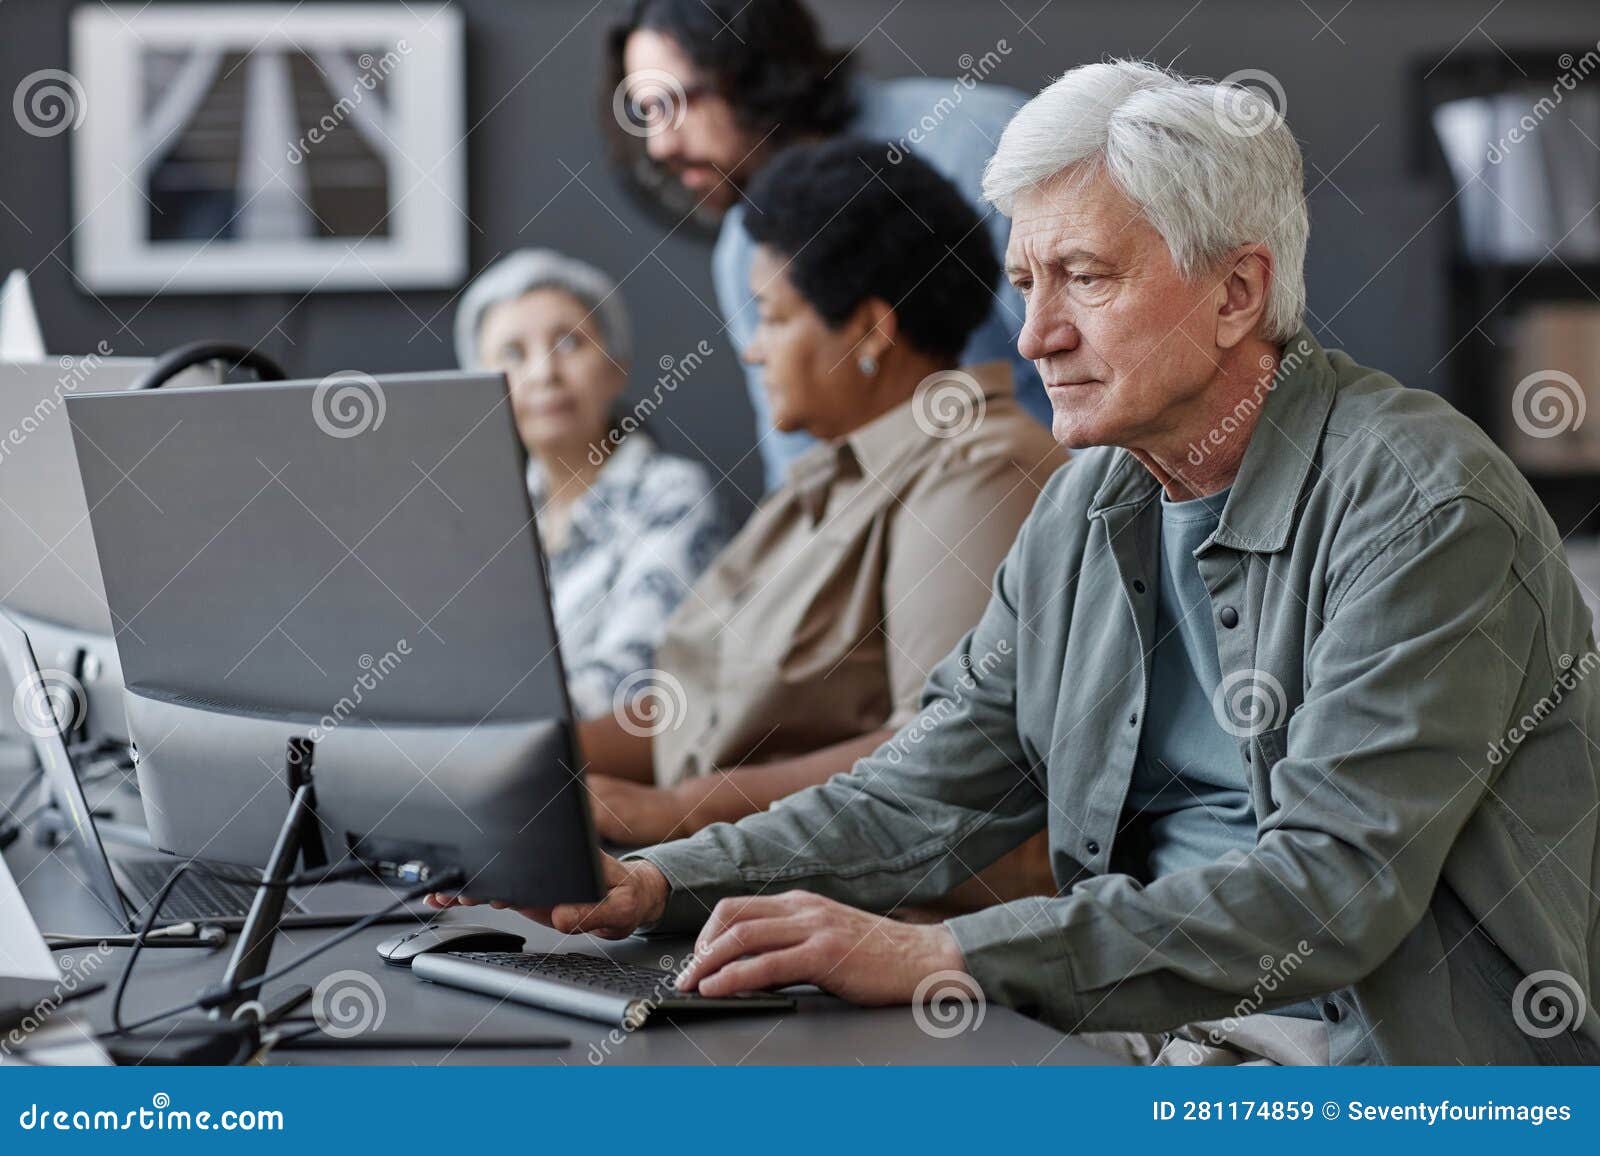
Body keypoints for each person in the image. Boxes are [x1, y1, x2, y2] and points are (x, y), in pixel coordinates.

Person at [436, 62, 1600, 1066]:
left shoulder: (1425, 509)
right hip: (1137, 1034)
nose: (1036, 332)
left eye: (1085, 278)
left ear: (1237, 290)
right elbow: (930, 782)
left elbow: (1327, 890)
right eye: (1027, 281)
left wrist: (942, 953)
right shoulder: (1088, 500)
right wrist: (657, 881)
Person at [568, 139, 1064, 908]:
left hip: (870, 927)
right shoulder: (826, 474)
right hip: (722, 888)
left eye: (772, 316)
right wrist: (539, 763)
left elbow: (943, 750)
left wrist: (673, 814)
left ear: (869, 330)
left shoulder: (983, 469)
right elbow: (694, 706)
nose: (754, 349)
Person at [606, 0, 1050, 492]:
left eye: (674, 103)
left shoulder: (975, 141)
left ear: (753, 75)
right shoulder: (742, 252)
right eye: (644, 113)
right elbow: (801, 470)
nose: (657, 146)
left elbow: (1084, 380)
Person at [455, 249, 731, 719]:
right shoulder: (484, 511)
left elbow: (631, 684)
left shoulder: (672, 494)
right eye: (512, 354)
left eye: (568, 344)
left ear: (615, 366)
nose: (544, 374)